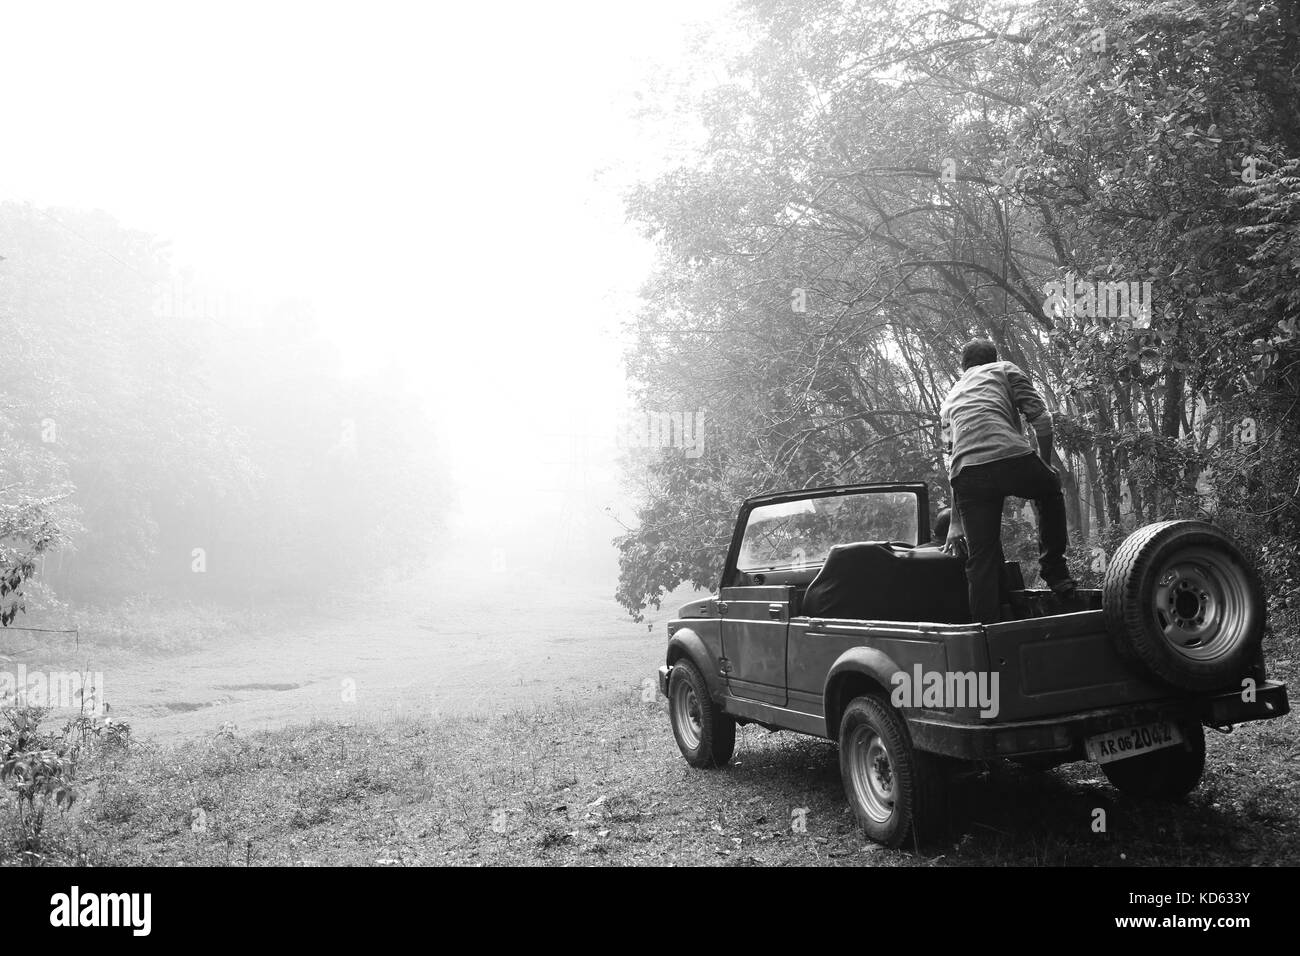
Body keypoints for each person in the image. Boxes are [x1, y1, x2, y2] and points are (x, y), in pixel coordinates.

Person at [941, 339, 1076, 623]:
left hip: (968, 475)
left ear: (962, 367)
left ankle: (985, 632)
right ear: (993, 358)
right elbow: (1040, 419)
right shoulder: (1003, 369)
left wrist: (956, 521)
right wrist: (1045, 465)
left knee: (981, 560)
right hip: (1010, 457)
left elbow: (952, 460)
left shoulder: (950, 398)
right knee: (1049, 490)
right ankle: (1055, 572)